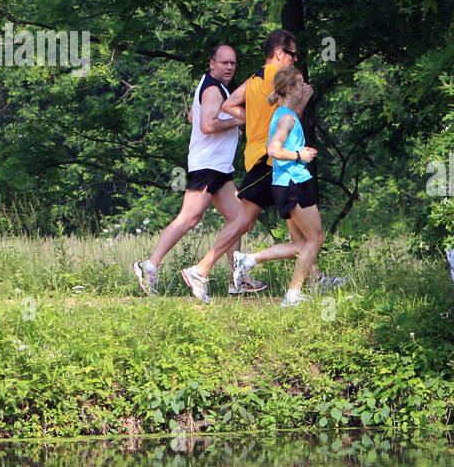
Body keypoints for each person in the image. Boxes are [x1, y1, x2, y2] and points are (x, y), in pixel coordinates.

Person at [179, 29, 308, 304]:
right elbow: (291, 117)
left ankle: (311, 282)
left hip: (260, 157)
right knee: (295, 227)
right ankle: (202, 269)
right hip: (273, 159)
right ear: (279, 53)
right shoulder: (285, 79)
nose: (296, 59)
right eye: (293, 54)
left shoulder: (254, 78)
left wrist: (252, 121)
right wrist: (301, 101)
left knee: (268, 223)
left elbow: (228, 104)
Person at [133, 44, 265, 296]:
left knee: (239, 220)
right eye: (224, 63)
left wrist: (226, 124)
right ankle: (148, 266)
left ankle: (238, 280)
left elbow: (194, 117)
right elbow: (206, 124)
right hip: (207, 165)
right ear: (212, 63)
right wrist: (240, 120)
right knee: (189, 218)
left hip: (219, 167)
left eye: (233, 63)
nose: (229, 67)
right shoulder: (214, 88)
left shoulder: (211, 86)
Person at [231, 67, 323, 307]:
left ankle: (249, 260)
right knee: (315, 238)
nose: (305, 87)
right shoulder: (286, 117)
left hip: (283, 184)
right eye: (301, 84)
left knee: (300, 244)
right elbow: (273, 149)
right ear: (290, 88)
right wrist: (299, 155)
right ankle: (292, 295)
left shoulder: (285, 113)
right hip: (293, 183)